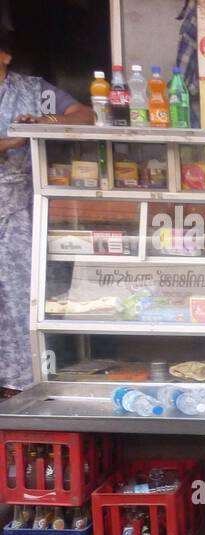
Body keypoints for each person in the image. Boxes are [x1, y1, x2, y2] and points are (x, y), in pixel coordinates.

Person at [0, 29, 94, 398]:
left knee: (25, 296)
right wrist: (16, 139)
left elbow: (85, 116)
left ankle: (22, 385)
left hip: (24, 206)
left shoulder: (32, 90)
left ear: (6, 55)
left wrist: (43, 123)